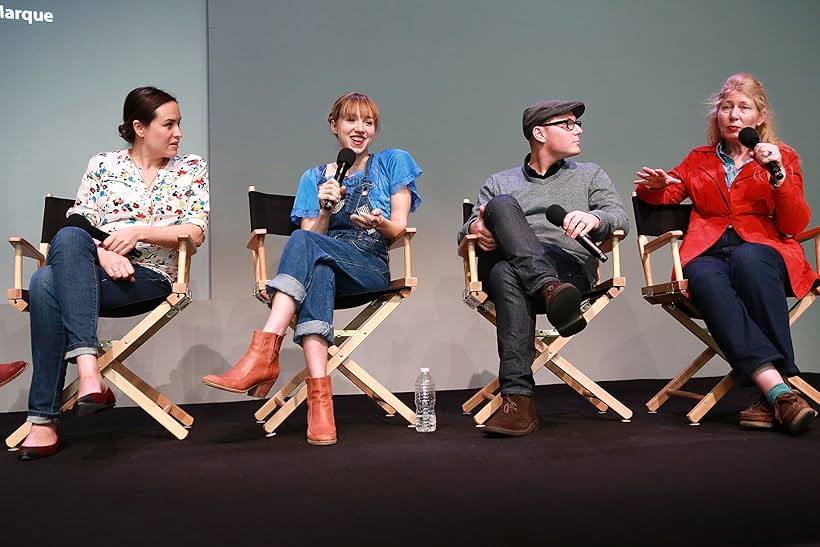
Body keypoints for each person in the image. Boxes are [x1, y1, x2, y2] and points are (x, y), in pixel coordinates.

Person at [203, 92, 422, 446]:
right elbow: (310, 237)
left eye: (368, 122)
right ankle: (321, 407)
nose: (360, 129)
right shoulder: (315, 177)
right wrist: (325, 208)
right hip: (328, 264)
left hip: (367, 266)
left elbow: (398, 227)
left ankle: (264, 351)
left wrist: (379, 223)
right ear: (334, 126)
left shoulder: (392, 162)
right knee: (318, 267)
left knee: (308, 248)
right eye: (351, 120)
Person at [17, 86, 210, 460]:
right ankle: (89, 371)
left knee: (44, 282)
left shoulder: (191, 167)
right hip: (94, 269)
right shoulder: (103, 164)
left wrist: (137, 232)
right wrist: (104, 252)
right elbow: (77, 217)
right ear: (140, 127)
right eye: (169, 124)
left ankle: (44, 419)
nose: (178, 133)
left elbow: (194, 231)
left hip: (150, 276)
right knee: (67, 239)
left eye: (179, 124)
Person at [635, 73, 818, 435]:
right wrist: (654, 188)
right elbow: (664, 194)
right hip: (708, 250)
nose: (733, 115)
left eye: (743, 108)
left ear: (760, 117)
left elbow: (794, 224)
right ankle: (778, 391)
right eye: (726, 107)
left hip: (765, 251)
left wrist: (778, 175)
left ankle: (770, 391)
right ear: (717, 115)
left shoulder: (783, 157)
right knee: (702, 277)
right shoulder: (698, 159)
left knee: (749, 260)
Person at [458, 100, 629, 437]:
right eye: (567, 124)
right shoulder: (500, 182)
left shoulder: (591, 175)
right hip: (550, 291)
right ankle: (546, 287)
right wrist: (475, 230)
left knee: (507, 273)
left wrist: (595, 218)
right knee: (501, 206)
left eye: (577, 123)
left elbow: (619, 217)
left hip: (568, 270)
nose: (578, 129)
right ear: (539, 133)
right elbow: (464, 232)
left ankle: (517, 401)